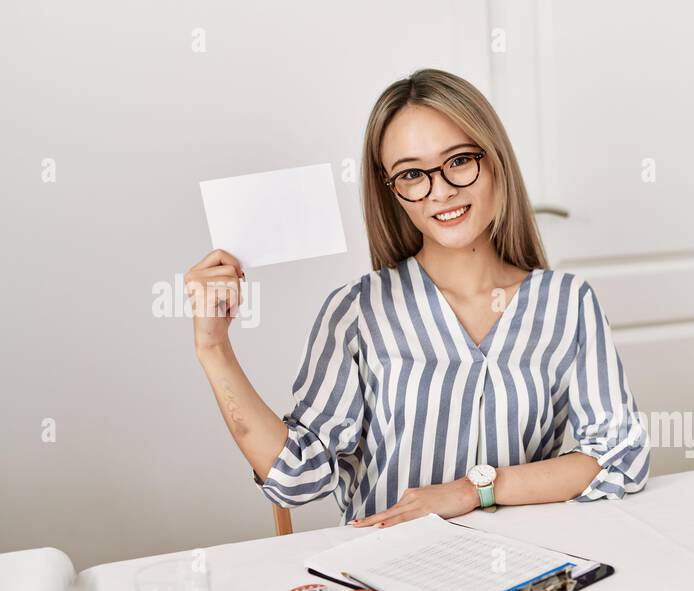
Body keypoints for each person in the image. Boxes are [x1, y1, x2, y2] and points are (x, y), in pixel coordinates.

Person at [185, 69, 649, 528]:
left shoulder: (568, 303)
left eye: (459, 160)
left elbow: (618, 456)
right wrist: (214, 347)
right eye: (411, 174)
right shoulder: (356, 312)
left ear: (495, 160)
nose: (441, 190)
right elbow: (294, 478)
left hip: (526, 570)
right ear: (392, 192)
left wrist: (472, 490)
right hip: (389, 577)